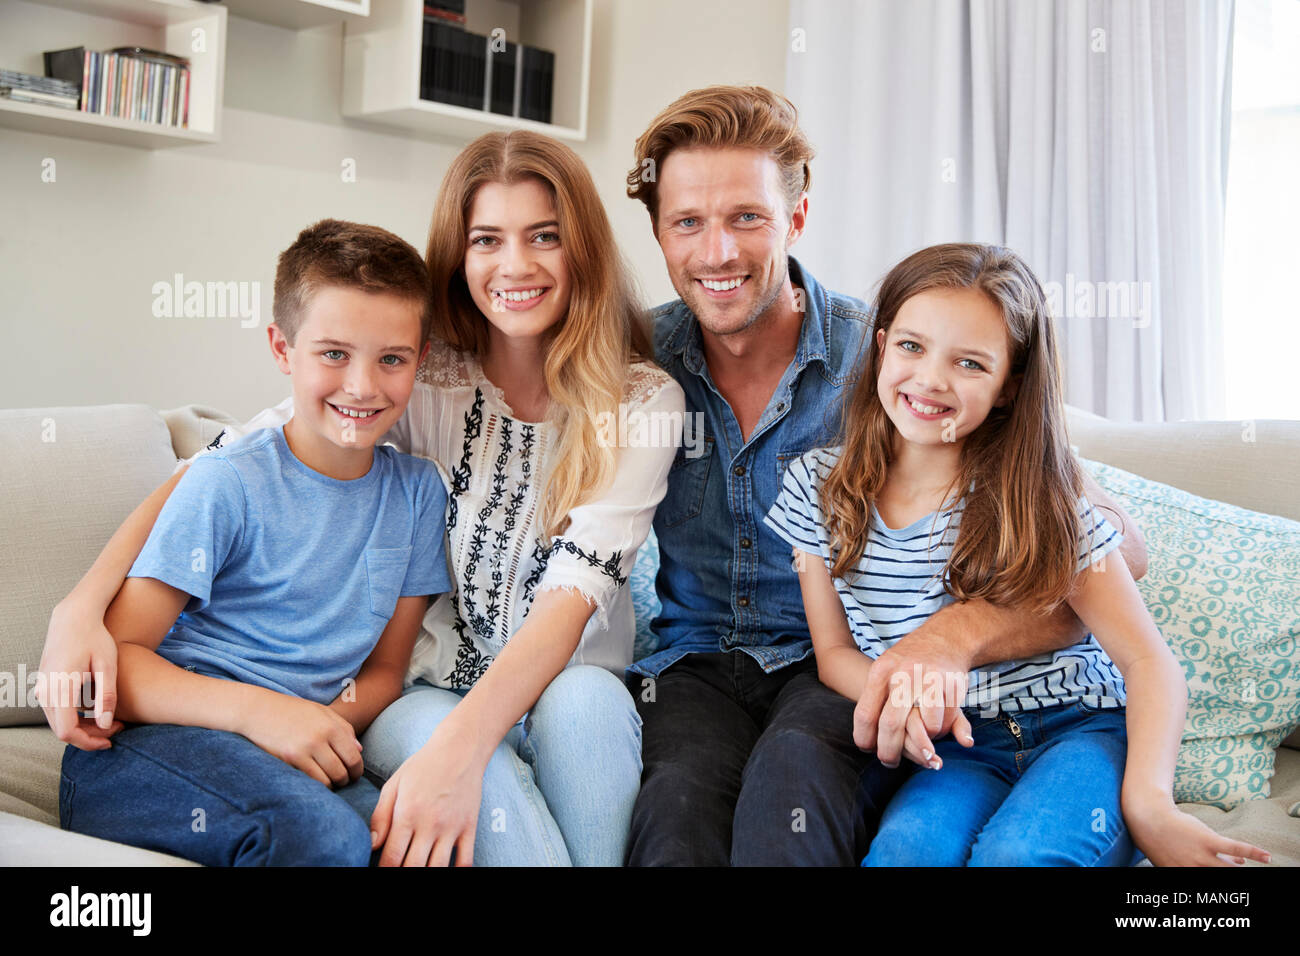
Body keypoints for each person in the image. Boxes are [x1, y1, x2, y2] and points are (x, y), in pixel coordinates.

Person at [40, 131, 682, 867]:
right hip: (410, 696)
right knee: (377, 824)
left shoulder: (633, 403)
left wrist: (403, 739)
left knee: (586, 707)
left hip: (558, 679)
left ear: (584, 249)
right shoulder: (426, 376)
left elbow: (568, 598)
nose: (515, 264)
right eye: (486, 239)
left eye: (545, 236)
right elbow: (225, 461)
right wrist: (78, 605)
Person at [622, 86, 1152, 866]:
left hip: (845, 663)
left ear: (796, 220)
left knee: (793, 778)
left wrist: (954, 634)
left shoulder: (901, 359)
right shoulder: (638, 363)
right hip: (695, 663)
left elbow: (1117, 553)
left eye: (747, 218)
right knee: (676, 814)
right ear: (661, 235)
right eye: (687, 223)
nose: (718, 253)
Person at [763, 242, 1272, 867]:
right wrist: (900, 695)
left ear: (1010, 387)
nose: (930, 379)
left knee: (1021, 855)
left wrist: (1151, 803)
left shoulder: (1037, 492)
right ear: (880, 347)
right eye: (912, 346)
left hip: (1079, 730)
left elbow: (1146, 659)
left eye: (971, 363)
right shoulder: (817, 486)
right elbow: (834, 652)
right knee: (905, 853)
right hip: (958, 749)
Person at [58, 219, 452, 866]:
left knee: (410, 841)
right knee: (325, 839)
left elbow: (384, 672)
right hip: (145, 750)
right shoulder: (227, 482)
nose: (362, 385)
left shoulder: (415, 498)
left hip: (281, 755)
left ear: (421, 359)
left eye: (391, 358)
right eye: (333, 353)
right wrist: (264, 716)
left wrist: (316, 726)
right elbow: (122, 664)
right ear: (281, 348)